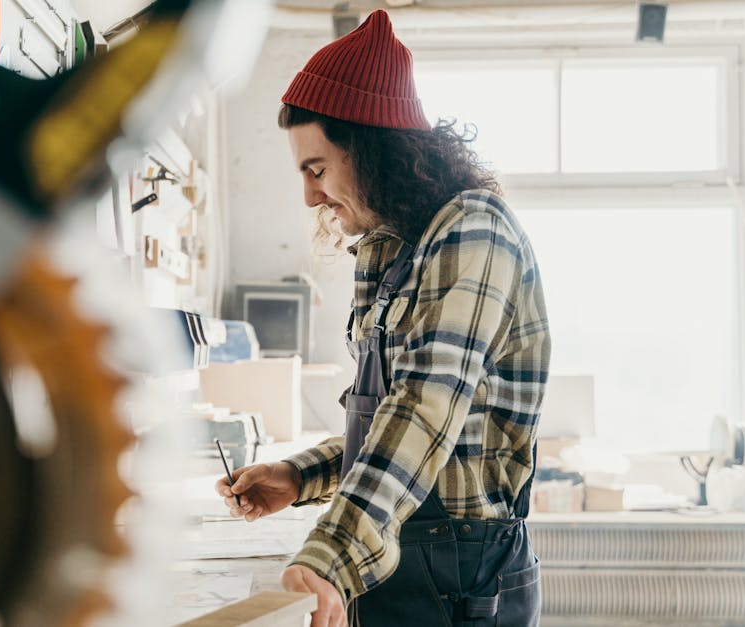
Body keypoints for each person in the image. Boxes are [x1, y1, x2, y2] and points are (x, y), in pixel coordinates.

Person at [215, 10, 550, 627]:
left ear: (375, 152)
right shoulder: (395, 247)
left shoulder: (473, 231)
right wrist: (299, 475)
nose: (310, 196)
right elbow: (385, 416)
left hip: (462, 576)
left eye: (317, 169)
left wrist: (331, 555)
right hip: (404, 555)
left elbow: (424, 408)